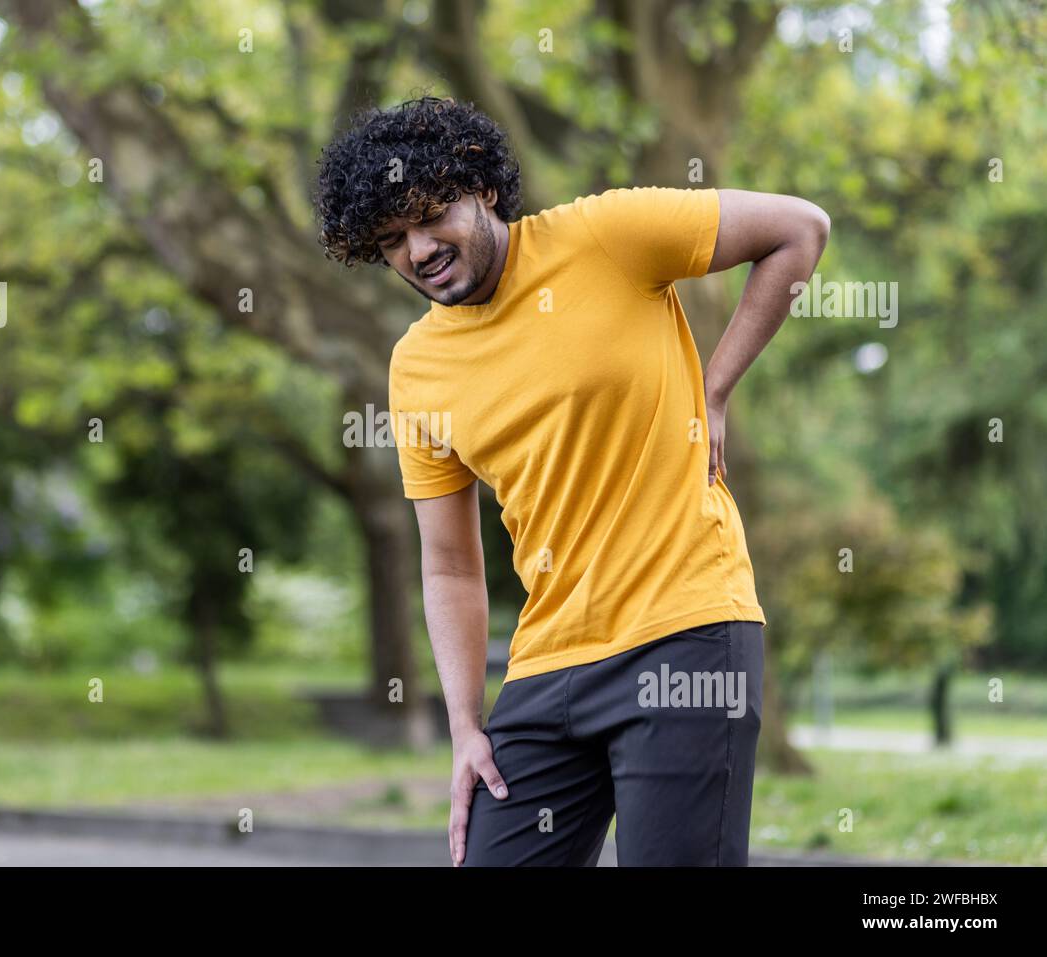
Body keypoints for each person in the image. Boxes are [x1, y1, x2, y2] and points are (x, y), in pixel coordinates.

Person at [312, 96, 830, 866]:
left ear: (481, 187)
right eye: (391, 240)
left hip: (684, 635)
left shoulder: (606, 235)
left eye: (430, 217)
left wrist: (715, 389)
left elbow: (800, 229)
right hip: (547, 665)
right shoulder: (415, 368)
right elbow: (450, 562)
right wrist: (464, 728)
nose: (418, 250)